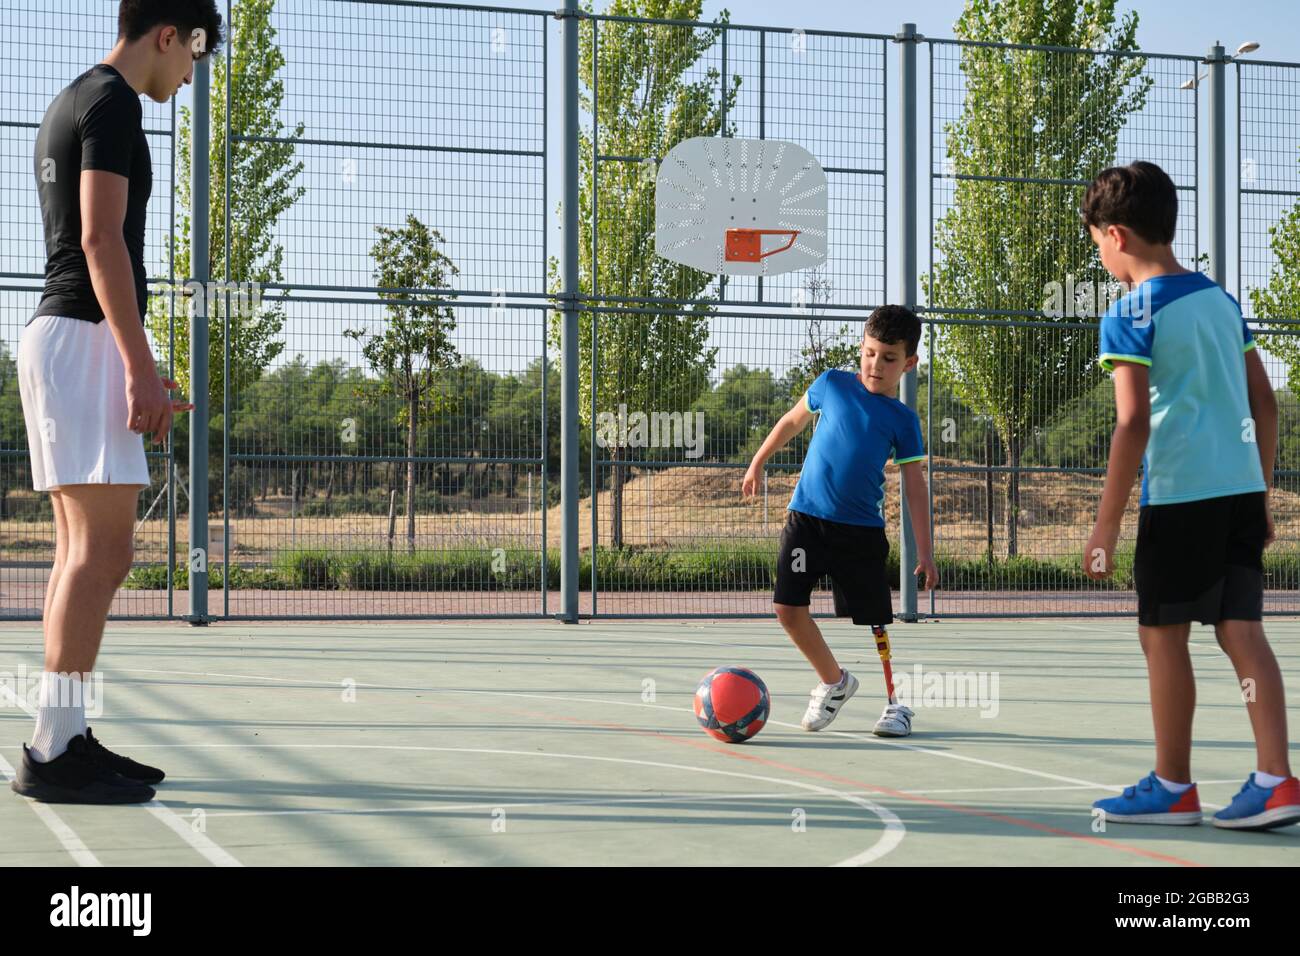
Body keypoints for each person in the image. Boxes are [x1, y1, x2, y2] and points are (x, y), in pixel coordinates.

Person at [11, 0, 223, 805]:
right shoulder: (114, 102)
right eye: (193, 57)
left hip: (65, 337)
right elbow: (100, 239)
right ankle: (53, 746)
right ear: (169, 35)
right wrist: (136, 364)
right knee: (102, 555)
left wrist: (138, 357)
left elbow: (89, 245)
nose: (190, 75)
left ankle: (60, 736)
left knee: (83, 554)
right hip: (81, 338)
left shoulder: (74, 97)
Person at [1083, 161, 1299, 830]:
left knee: (1162, 635)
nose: (1100, 259)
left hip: (1179, 499)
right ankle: (1277, 779)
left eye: (1096, 245)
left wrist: (1105, 526)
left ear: (1115, 234)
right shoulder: (1220, 301)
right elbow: (1264, 403)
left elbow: (1131, 423)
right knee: (1242, 631)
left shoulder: (1129, 314)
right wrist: (1261, 493)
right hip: (1237, 492)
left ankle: (1173, 785)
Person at [743, 304, 938, 737]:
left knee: (874, 619)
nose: (876, 364)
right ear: (861, 348)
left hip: (860, 531)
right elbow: (792, 421)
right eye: (870, 353)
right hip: (806, 519)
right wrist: (758, 461)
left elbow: (915, 487)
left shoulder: (904, 421)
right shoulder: (831, 384)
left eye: (889, 358)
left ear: (909, 363)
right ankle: (835, 681)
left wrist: (925, 552)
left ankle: (894, 705)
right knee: (787, 609)